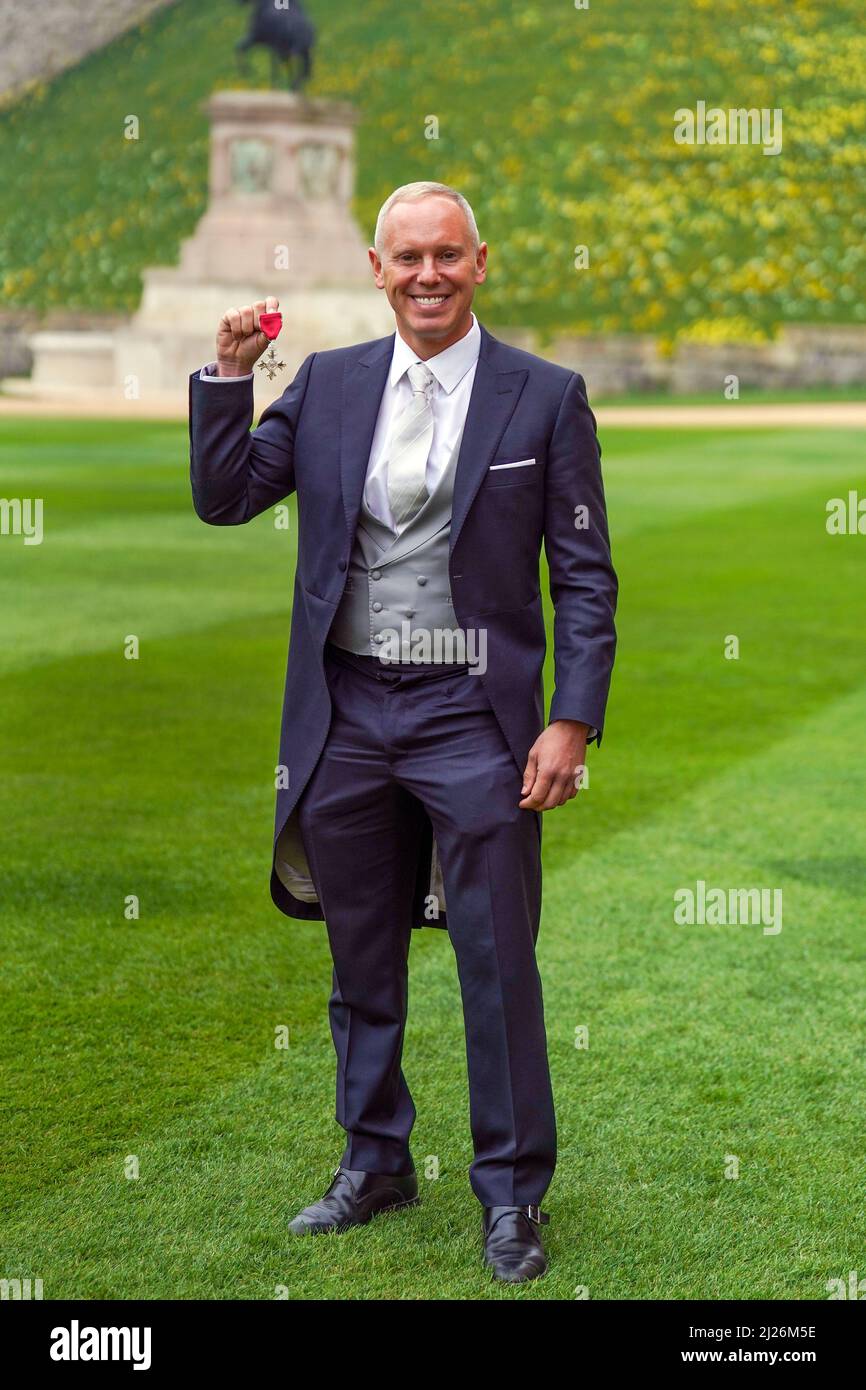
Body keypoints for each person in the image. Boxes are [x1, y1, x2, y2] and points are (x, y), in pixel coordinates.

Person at [189, 181, 617, 1283]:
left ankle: (512, 1197)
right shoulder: (327, 386)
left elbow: (581, 576)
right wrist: (230, 378)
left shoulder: (544, 395)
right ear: (375, 269)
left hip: (470, 711)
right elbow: (228, 496)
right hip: (345, 709)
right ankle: (375, 1160)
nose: (426, 274)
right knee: (359, 956)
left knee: (493, 960)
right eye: (405, 258)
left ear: (480, 263)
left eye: (446, 255)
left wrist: (569, 718)